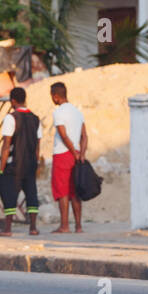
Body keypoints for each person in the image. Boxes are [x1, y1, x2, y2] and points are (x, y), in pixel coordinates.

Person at [0, 86, 42, 236]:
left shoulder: (11, 118)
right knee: (31, 194)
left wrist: (2, 167)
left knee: (8, 193)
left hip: (14, 164)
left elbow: (6, 145)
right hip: (30, 164)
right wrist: (36, 163)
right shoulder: (36, 118)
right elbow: (38, 145)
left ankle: (7, 229)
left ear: (13, 100)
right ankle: (33, 228)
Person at [50, 81, 87, 234]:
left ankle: (64, 226)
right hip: (77, 156)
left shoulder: (58, 113)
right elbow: (84, 136)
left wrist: (73, 151)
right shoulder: (78, 112)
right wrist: (81, 154)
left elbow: (63, 135)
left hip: (62, 154)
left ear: (56, 97)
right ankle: (78, 226)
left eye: (52, 96)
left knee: (63, 191)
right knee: (75, 191)